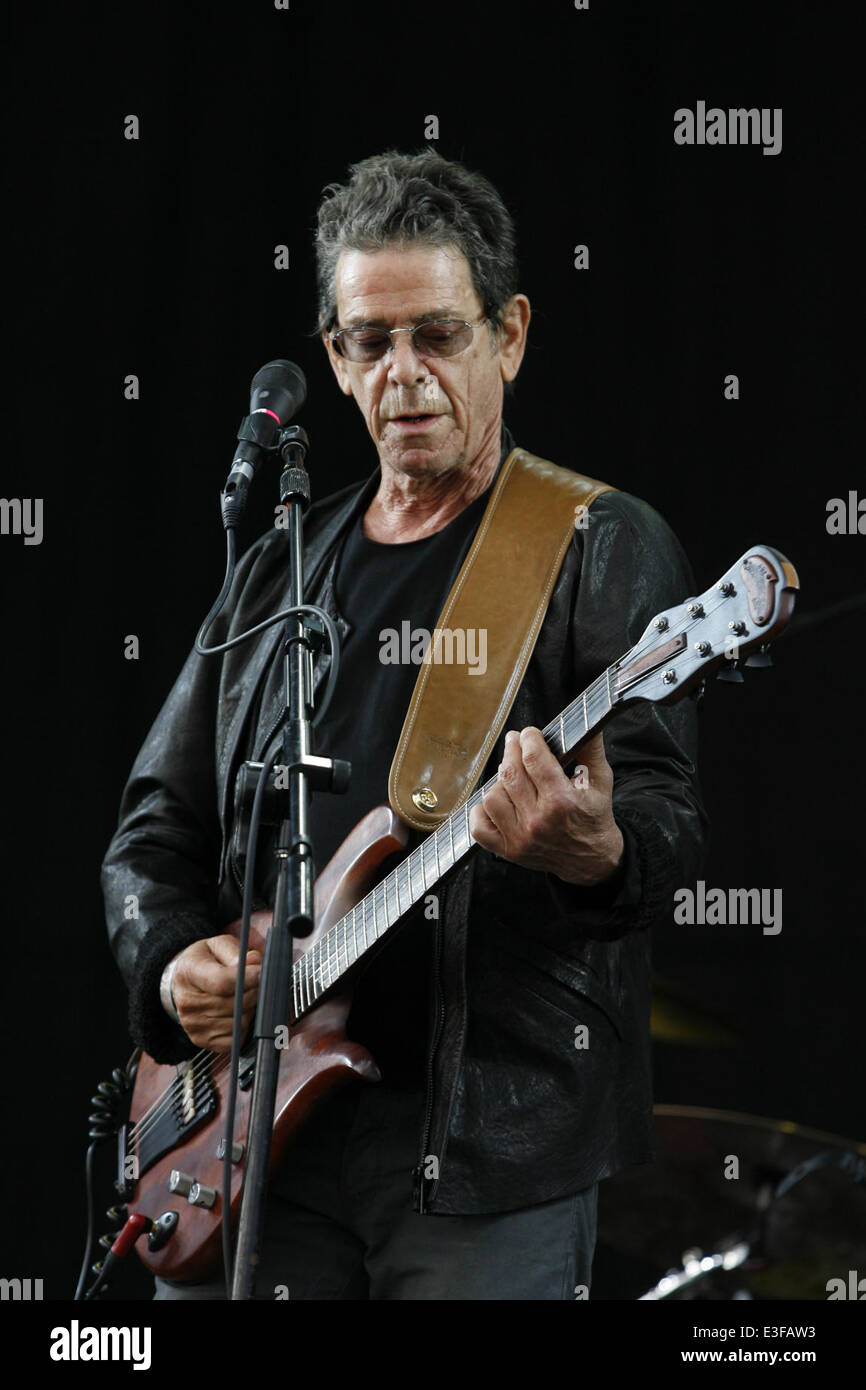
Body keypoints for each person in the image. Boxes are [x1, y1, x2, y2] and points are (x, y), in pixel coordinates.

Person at [102, 149, 708, 1300]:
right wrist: (172, 961)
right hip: (251, 1143)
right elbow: (151, 828)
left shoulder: (595, 544)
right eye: (370, 343)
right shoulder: (279, 572)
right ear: (333, 357)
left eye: (437, 335)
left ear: (509, 335)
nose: (404, 375)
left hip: (484, 1155)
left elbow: (666, 826)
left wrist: (599, 851)